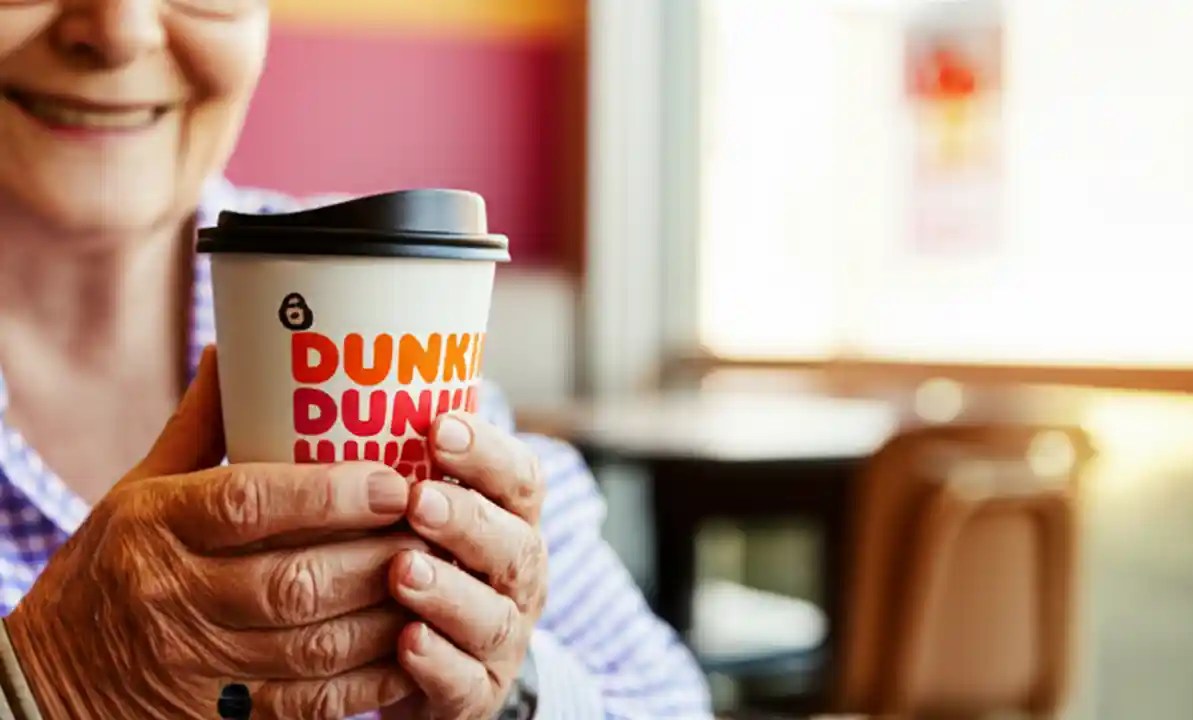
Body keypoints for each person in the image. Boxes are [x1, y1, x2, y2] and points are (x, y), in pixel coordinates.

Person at [0, 0, 711, 718]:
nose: (120, 32)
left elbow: (665, 705)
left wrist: (501, 685)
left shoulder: (381, 292)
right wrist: (42, 682)